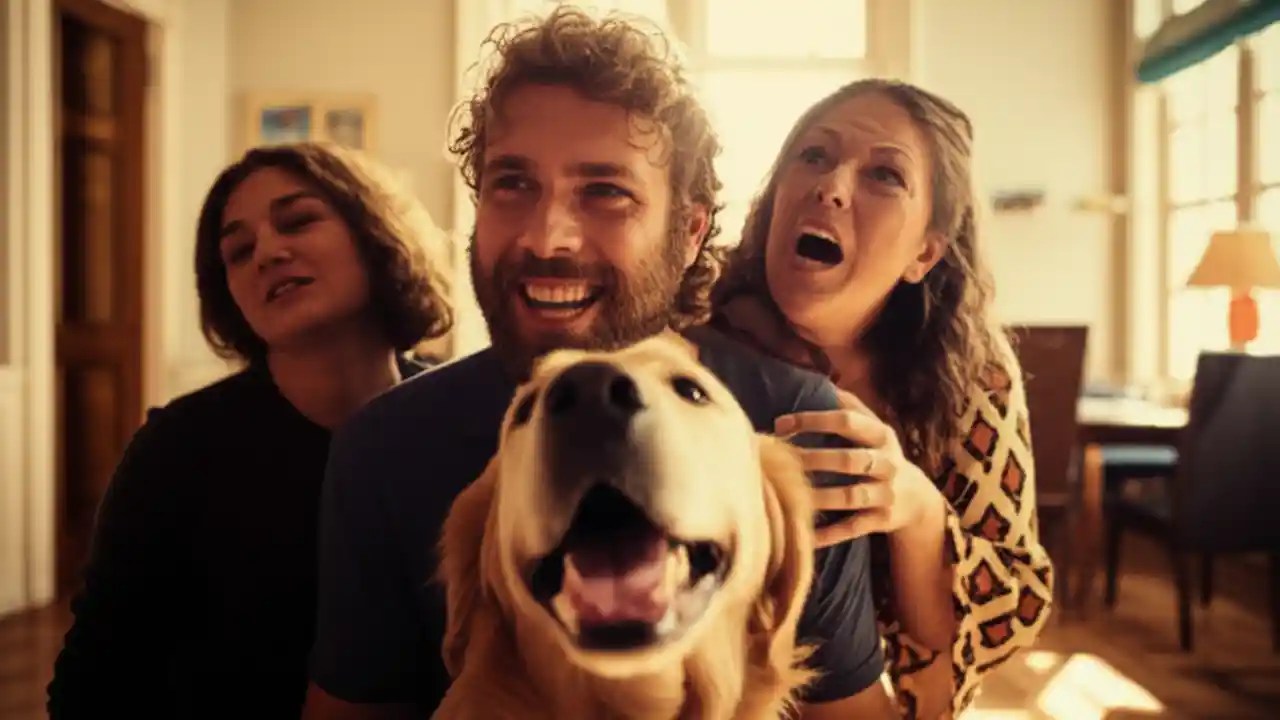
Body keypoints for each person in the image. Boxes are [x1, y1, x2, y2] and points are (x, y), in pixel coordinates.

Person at [303, 8, 896, 719]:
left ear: (688, 232)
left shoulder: (799, 426)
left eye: (606, 192)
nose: (548, 236)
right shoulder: (384, 448)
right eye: (512, 185)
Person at [47, 142, 454, 719]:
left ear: (375, 233)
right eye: (238, 251)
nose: (267, 252)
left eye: (299, 220)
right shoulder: (177, 451)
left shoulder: (461, 419)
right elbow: (95, 676)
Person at [709, 78, 1055, 718]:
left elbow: (970, 633)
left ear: (925, 252)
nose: (831, 186)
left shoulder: (976, 373)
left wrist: (917, 512)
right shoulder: (692, 318)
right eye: (813, 155)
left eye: (885, 176)